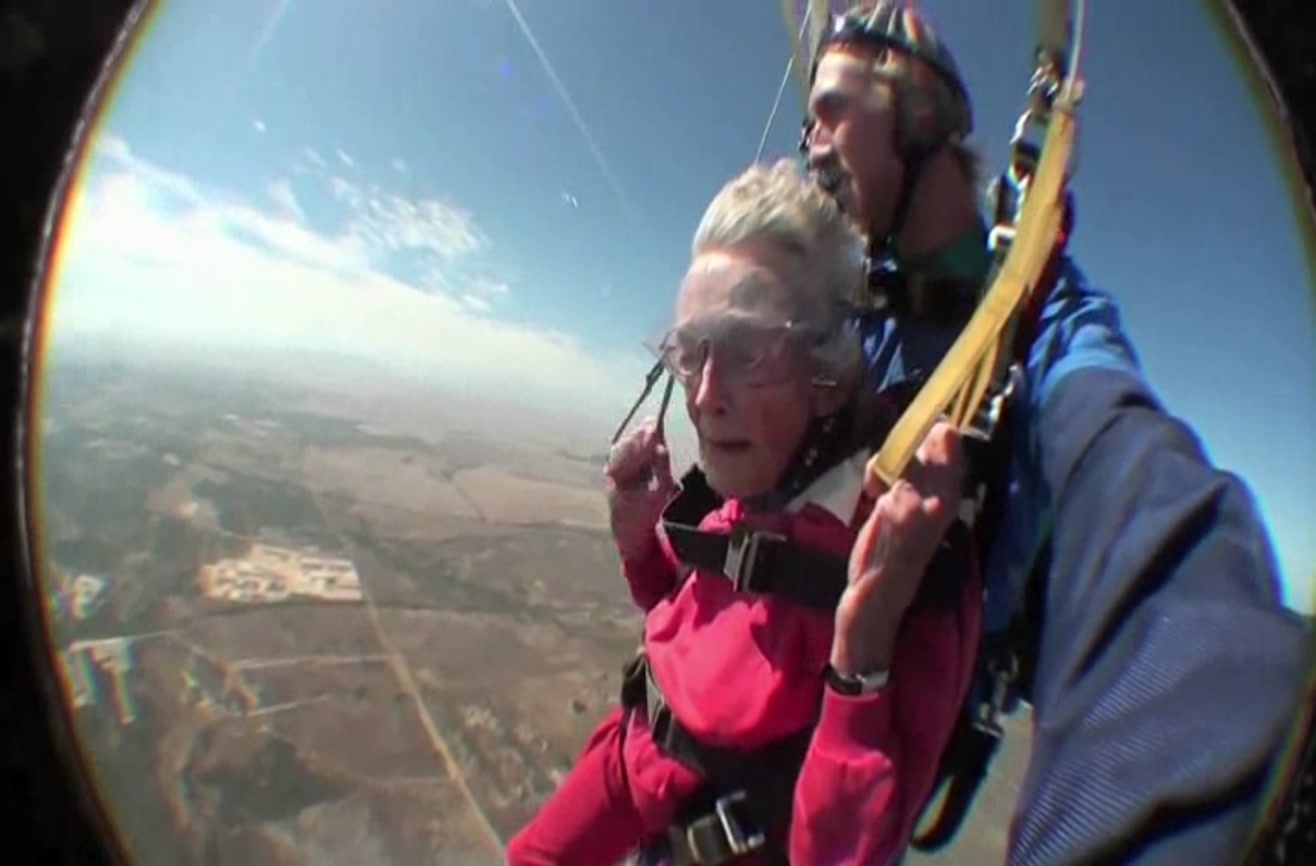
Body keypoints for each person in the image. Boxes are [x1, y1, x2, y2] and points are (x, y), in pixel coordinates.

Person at [791, 2, 1313, 864]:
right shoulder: (850, 317)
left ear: (919, 114)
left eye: (833, 111)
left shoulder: (1046, 327)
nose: (811, 145)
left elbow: (1130, 490)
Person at [505, 159, 983, 866]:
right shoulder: (757, 485)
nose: (703, 395)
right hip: (630, 761)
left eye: (745, 350)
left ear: (826, 373)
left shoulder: (907, 561)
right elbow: (704, 621)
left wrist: (862, 654)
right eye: (691, 352)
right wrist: (641, 548)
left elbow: (846, 853)